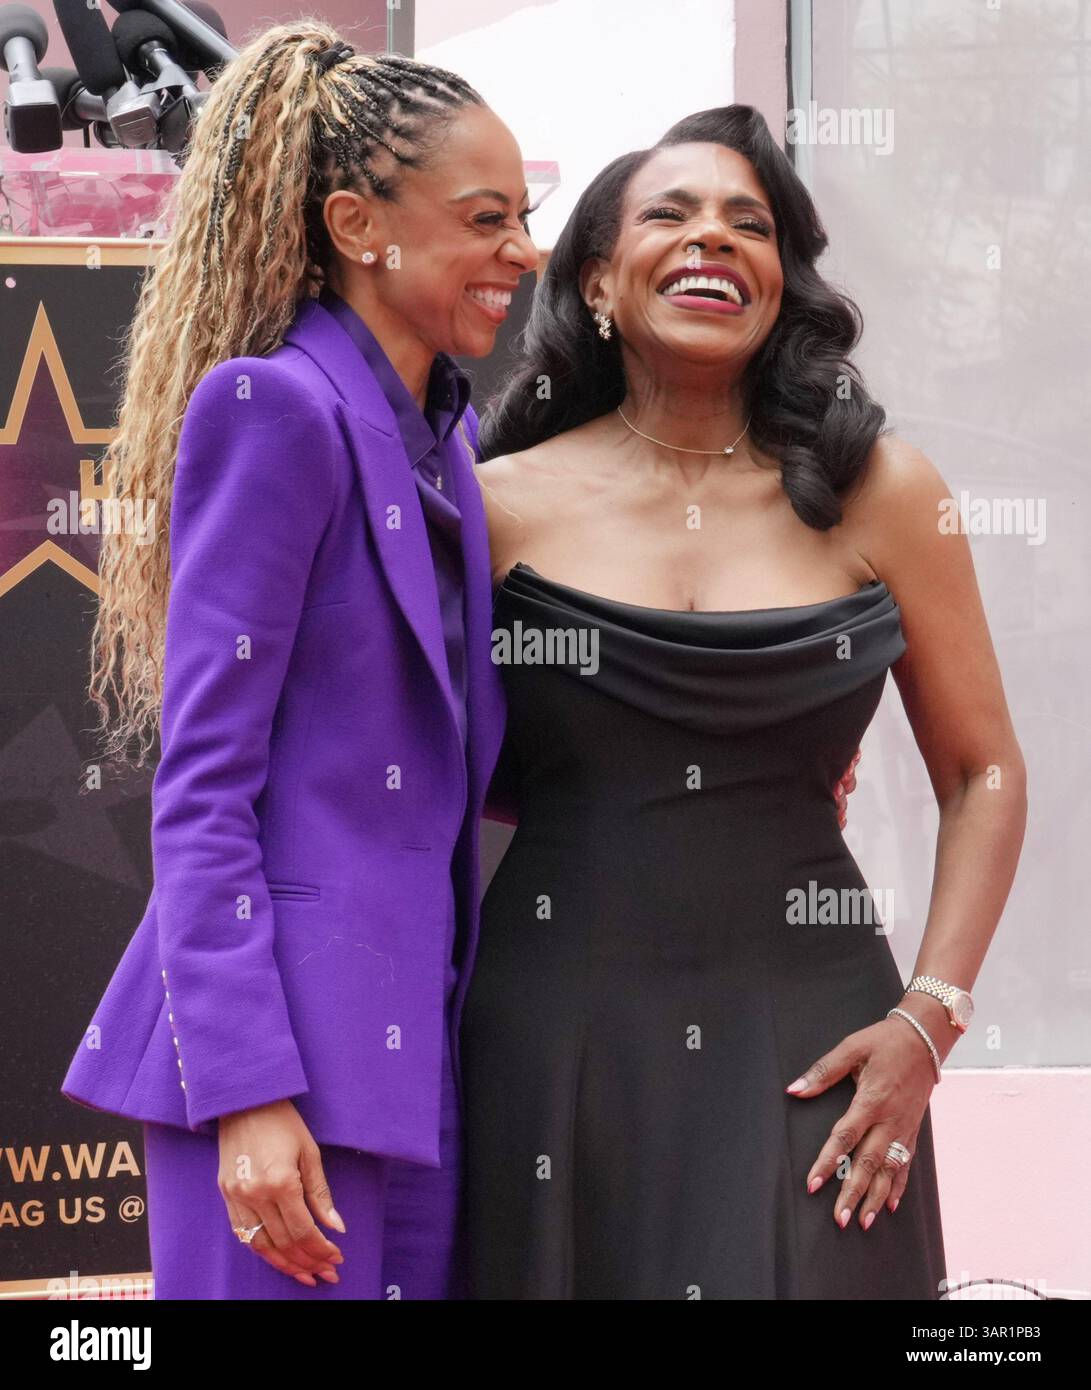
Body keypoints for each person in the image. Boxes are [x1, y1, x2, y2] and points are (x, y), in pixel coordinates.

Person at [462, 105, 1027, 1299]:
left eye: (747, 225)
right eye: (667, 215)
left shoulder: (882, 490)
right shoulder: (486, 500)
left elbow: (982, 773)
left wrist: (926, 1024)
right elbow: (428, 762)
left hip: (818, 1029)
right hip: (555, 1021)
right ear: (598, 281)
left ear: (781, 287)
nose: (711, 240)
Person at [60, 20, 536, 1299]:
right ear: (356, 223)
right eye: (486, 218)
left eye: (525, 217)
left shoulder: (444, 446)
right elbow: (203, 784)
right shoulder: (274, 407)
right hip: (275, 1073)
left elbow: (449, 759)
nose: (522, 253)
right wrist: (248, 1091)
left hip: (415, 1057)